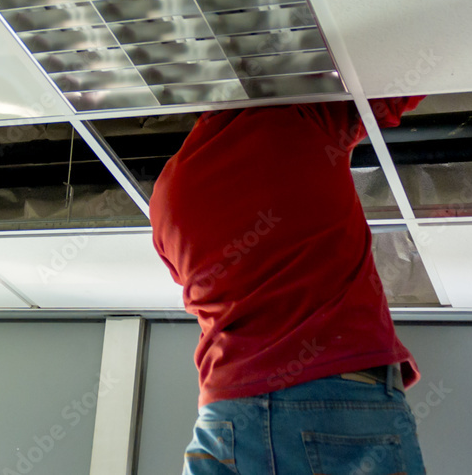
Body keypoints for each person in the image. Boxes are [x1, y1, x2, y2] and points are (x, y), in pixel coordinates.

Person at [150, 98, 427, 474]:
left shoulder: (168, 190)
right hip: (294, 406)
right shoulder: (301, 119)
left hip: (233, 408)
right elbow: (393, 83)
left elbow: (188, 279)